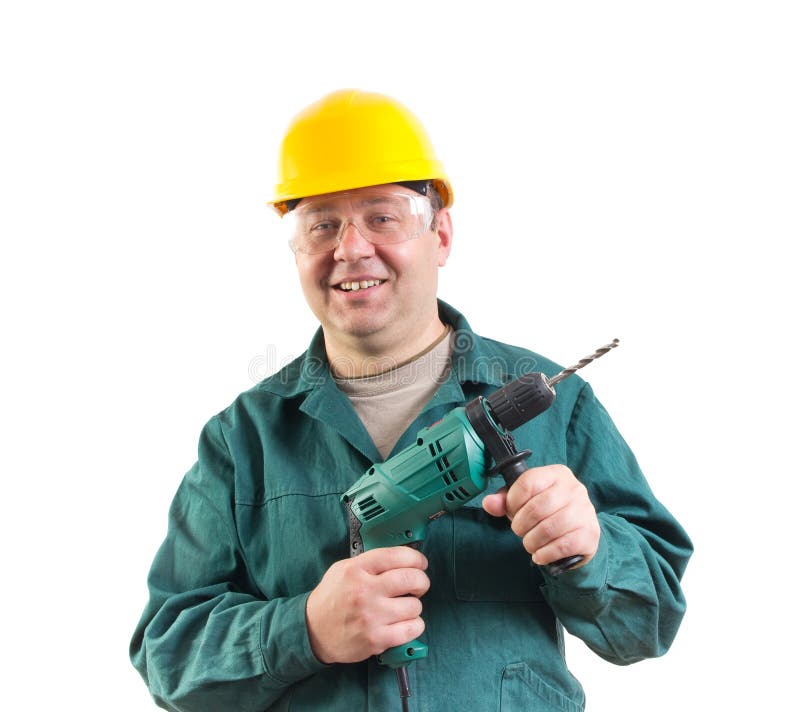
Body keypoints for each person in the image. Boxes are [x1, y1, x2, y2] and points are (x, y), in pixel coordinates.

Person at [130, 88, 692, 712]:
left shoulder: (561, 404)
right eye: (321, 224)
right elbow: (167, 655)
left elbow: (650, 625)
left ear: (441, 235)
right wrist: (307, 630)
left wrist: (591, 550)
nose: (350, 249)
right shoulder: (244, 439)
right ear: (297, 249)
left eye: (382, 216)